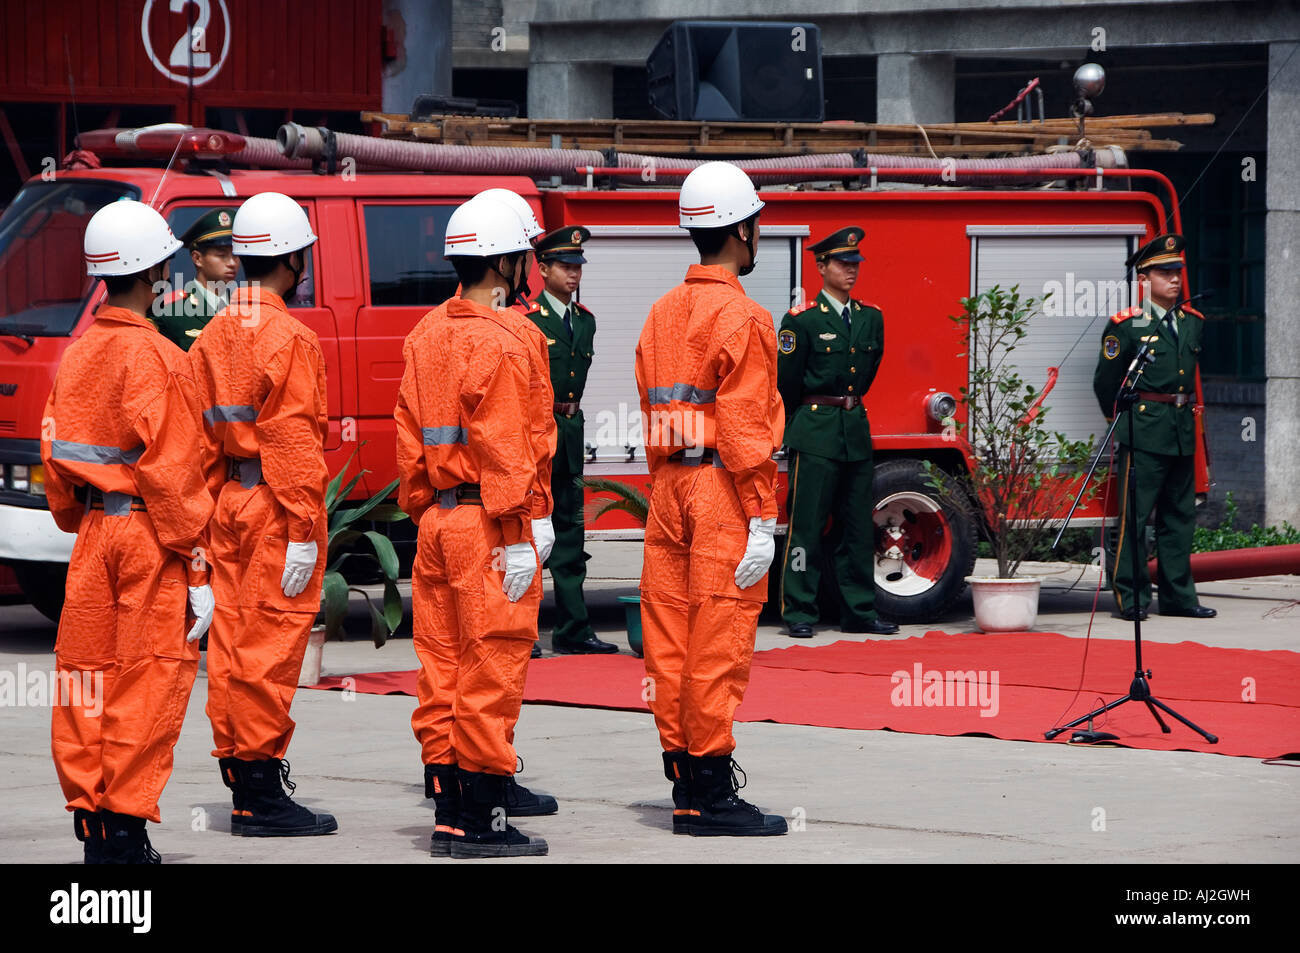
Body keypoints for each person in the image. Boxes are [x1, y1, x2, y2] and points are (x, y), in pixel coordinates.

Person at [42, 198, 215, 863]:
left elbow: (58, 457)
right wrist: (198, 570)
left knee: (85, 676)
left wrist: (79, 518)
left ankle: (92, 824)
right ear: (157, 274)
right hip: (150, 540)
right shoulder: (161, 359)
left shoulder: (79, 355)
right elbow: (175, 477)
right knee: (148, 678)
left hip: (92, 536)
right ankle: (125, 831)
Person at [635, 161, 787, 837]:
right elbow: (747, 429)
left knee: (668, 638)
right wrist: (763, 514)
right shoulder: (745, 316)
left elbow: (655, 408)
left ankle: (685, 782)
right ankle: (714, 791)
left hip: (668, 486)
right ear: (745, 230)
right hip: (721, 487)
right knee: (717, 639)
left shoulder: (662, 312)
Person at [395, 195, 549, 858]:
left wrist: (430, 509)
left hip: (437, 519)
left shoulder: (425, 333)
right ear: (508, 262)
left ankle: (447, 797)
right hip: (489, 523)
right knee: (491, 664)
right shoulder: (504, 340)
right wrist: (521, 530)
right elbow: (509, 445)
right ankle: (478, 815)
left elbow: (408, 440)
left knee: (444, 666)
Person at [188, 191, 337, 837]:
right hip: (276, 506)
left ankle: (244, 782)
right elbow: (295, 441)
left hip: (229, 503)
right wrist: (305, 527)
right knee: (270, 647)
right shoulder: (291, 336)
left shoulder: (214, 331)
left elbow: (194, 439)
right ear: (295, 261)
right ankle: (260, 791)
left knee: (231, 647)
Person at [776, 227, 897, 638]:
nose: (850, 270)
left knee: (858, 528)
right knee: (805, 526)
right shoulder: (802, 321)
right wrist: (801, 424)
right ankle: (799, 611)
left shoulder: (871, 318)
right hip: (814, 431)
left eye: (854, 264)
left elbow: (869, 372)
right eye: (842, 263)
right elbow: (786, 383)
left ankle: (859, 610)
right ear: (821, 266)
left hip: (854, 432)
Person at [1093, 232, 1216, 621]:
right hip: (1144, 431)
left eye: (1177, 272)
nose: (1175, 280)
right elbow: (1105, 383)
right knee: (1136, 518)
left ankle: (1179, 597)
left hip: (1181, 429)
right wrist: (1122, 419)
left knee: (1179, 517)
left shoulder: (1192, 322)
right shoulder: (1126, 326)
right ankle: (1130, 598)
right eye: (1165, 273)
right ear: (1144, 279)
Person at [528, 225, 617, 654]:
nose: (573, 273)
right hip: (534, 433)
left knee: (570, 535)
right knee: (526, 533)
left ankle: (572, 629)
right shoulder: (527, 321)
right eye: (565, 265)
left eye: (578, 266)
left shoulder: (586, 322)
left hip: (570, 430)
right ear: (542, 268)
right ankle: (521, 631)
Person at [153, 208, 238, 350]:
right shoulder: (171, 312)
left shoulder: (245, 307)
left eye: (235, 254)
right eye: (221, 255)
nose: (232, 263)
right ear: (197, 258)